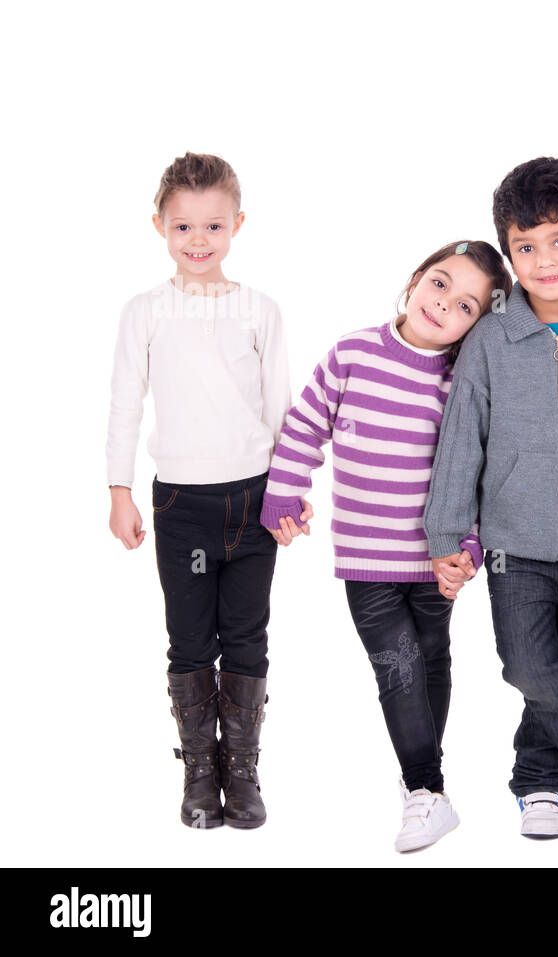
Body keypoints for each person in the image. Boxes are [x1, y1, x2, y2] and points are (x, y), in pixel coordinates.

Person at [259, 240, 511, 851]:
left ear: (477, 326)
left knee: (432, 664)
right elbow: (303, 425)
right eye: (440, 284)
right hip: (368, 561)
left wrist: (469, 548)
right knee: (396, 668)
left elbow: (479, 472)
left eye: (466, 306)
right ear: (417, 277)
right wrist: (283, 492)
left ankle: (424, 790)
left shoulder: (461, 383)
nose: (444, 304)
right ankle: (427, 789)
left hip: (435, 561)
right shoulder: (353, 355)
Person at [424, 157, 558, 840]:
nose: (544, 261)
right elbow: (462, 441)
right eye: (526, 247)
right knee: (526, 665)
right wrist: (445, 536)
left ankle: (541, 782)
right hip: (514, 543)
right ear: (511, 255)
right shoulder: (489, 340)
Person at [107, 151, 291, 830]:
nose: (198, 241)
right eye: (183, 227)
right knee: (189, 639)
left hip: (253, 497)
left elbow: (281, 409)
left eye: (213, 226)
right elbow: (126, 401)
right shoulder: (145, 312)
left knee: (246, 635)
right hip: (181, 504)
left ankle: (240, 770)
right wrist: (120, 488)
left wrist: (290, 493)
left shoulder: (259, 310)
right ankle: (199, 769)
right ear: (160, 225)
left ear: (237, 224)